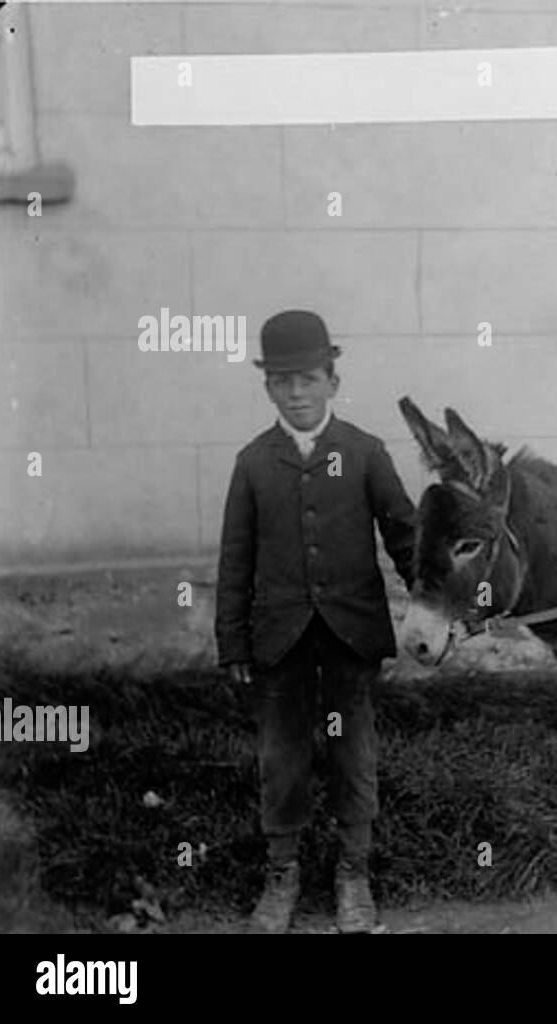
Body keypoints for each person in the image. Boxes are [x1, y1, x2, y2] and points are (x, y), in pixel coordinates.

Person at [215, 309, 416, 933]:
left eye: (308, 379)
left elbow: (405, 536)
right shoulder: (253, 463)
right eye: (283, 382)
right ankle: (283, 873)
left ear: (332, 379)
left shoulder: (364, 453)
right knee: (283, 754)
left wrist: (439, 605)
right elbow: (235, 559)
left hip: (350, 634)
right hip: (279, 639)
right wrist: (233, 640)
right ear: (267, 388)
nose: (297, 394)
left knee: (353, 750)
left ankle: (353, 872)